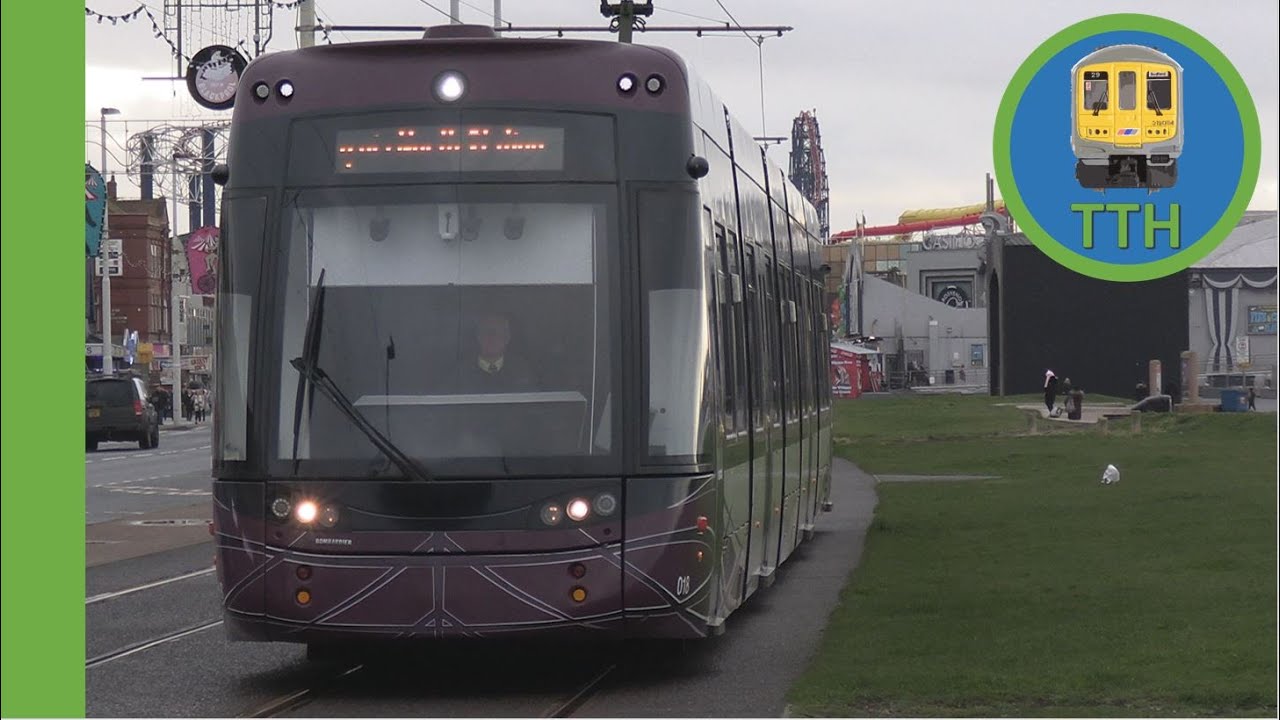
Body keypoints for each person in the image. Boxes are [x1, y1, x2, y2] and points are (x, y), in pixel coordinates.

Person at [457, 310, 539, 393]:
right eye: (487, 332)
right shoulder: (461, 373)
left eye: (497, 332)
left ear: (507, 338)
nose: (492, 338)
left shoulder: (522, 371)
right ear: (478, 337)